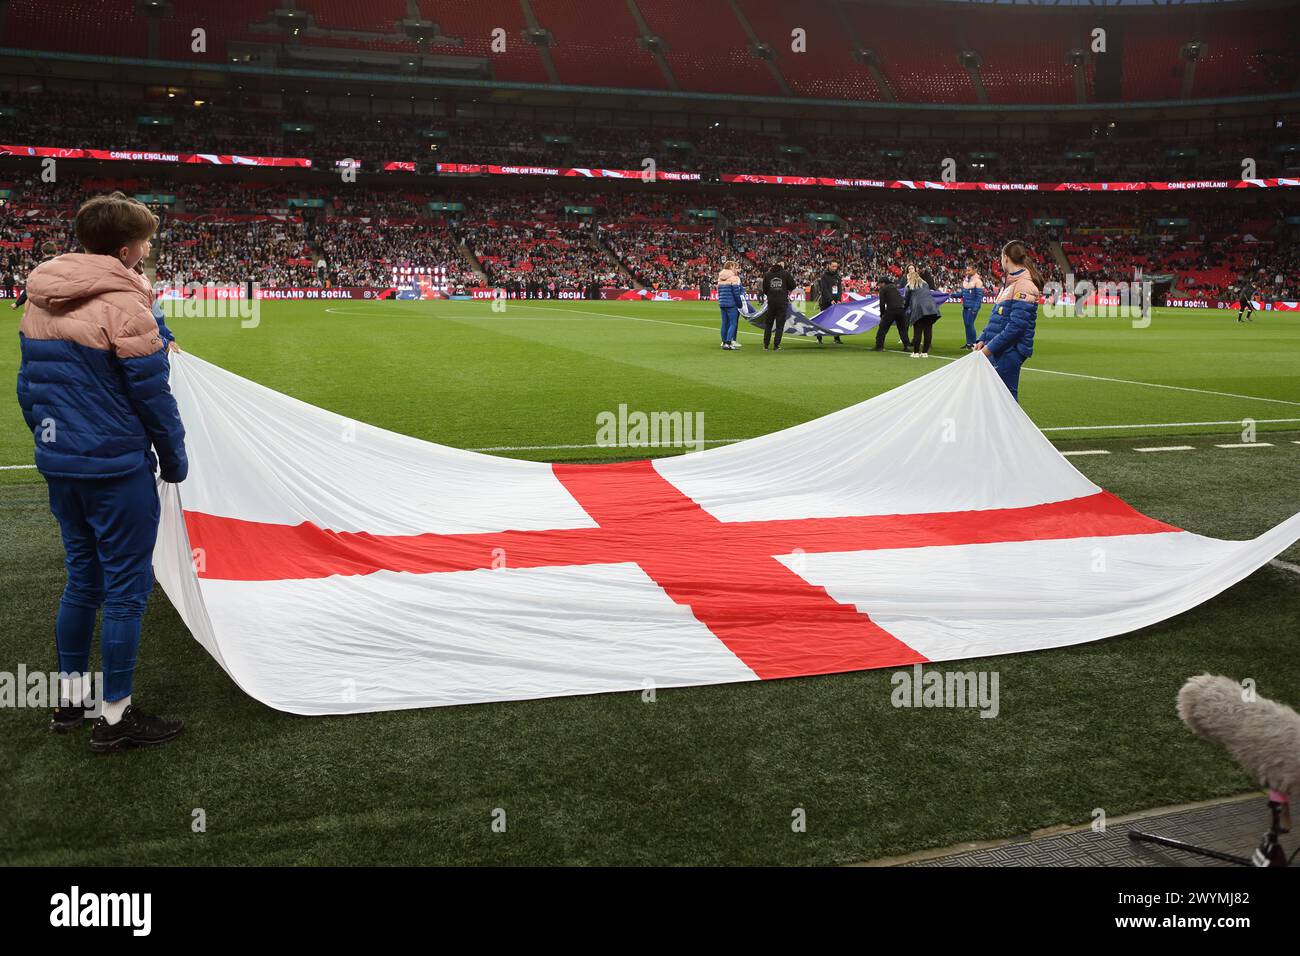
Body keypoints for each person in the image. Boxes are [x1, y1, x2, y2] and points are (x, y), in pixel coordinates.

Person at [16, 192, 188, 752]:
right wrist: (175, 457)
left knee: (82, 576)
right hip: (116, 466)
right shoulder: (125, 303)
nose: (148, 250)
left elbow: (30, 389)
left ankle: (69, 698)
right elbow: (153, 397)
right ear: (126, 249)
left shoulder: (40, 299)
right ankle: (114, 718)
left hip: (62, 464)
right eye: (146, 242)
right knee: (125, 589)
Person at [974, 240, 1042, 402]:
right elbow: (996, 318)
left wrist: (988, 348)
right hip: (1000, 349)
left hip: (1009, 350)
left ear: (1005, 258)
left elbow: (1016, 326)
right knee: (995, 399)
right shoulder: (1010, 284)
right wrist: (983, 339)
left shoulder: (1023, 285)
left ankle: (1014, 428)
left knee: (1005, 401)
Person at [11, 241, 60, 309]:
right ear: (56, 252)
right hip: (61, 303)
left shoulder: (40, 268)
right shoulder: (63, 265)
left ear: (43, 252)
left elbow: (30, 287)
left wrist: (17, 303)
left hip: (44, 304)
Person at [904, 265, 940, 359]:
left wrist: (903, 309)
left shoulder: (909, 287)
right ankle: (925, 353)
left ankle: (916, 352)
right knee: (928, 330)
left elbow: (906, 301)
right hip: (931, 308)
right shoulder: (925, 284)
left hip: (919, 309)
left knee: (917, 331)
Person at [761, 259, 795, 351]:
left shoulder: (768, 274)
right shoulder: (786, 273)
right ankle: (776, 345)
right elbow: (793, 285)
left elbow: (764, 289)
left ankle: (766, 345)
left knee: (769, 324)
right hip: (782, 301)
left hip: (771, 301)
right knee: (780, 325)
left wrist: (771, 294)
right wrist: (784, 288)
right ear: (782, 265)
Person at [873, 277, 910, 351]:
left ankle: (879, 346)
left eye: (880, 284)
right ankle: (907, 346)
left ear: (883, 283)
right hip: (901, 310)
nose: (879, 286)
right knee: (902, 329)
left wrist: (882, 314)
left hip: (891, 310)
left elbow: (882, 304)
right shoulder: (894, 287)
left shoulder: (883, 290)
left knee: (882, 328)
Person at [814, 260, 844, 345]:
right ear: (829, 266)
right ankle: (819, 338)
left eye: (836, 266)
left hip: (836, 302)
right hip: (826, 302)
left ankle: (836, 338)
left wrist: (838, 299)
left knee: (836, 320)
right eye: (833, 266)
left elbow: (839, 289)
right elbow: (824, 289)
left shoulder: (838, 276)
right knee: (822, 320)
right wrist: (830, 300)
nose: (835, 268)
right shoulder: (824, 276)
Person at [716, 261, 744, 350]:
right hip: (731, 304)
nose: (735, 268)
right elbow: (736, 293)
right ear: (731, 266)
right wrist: (740, 304)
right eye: (734, 266)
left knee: (724, 323)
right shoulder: (733, 278)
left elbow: (719, 292)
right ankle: (728, 343)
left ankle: (724, 342)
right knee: (733, 323)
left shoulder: (720, 278)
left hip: (722, 303)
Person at [960, 262, 984, 350]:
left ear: (974, 270)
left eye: (969, 270)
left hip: (972, 306)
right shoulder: (967, 279)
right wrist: (953, 295)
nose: (967, 272)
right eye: (967, 270)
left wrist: (975, 308)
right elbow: (963, 293)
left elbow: (979, 296)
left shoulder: (977, 281)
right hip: (966, 306)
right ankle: (969, 343)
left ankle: (974, 343)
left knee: (970, 324)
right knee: (967, 325)